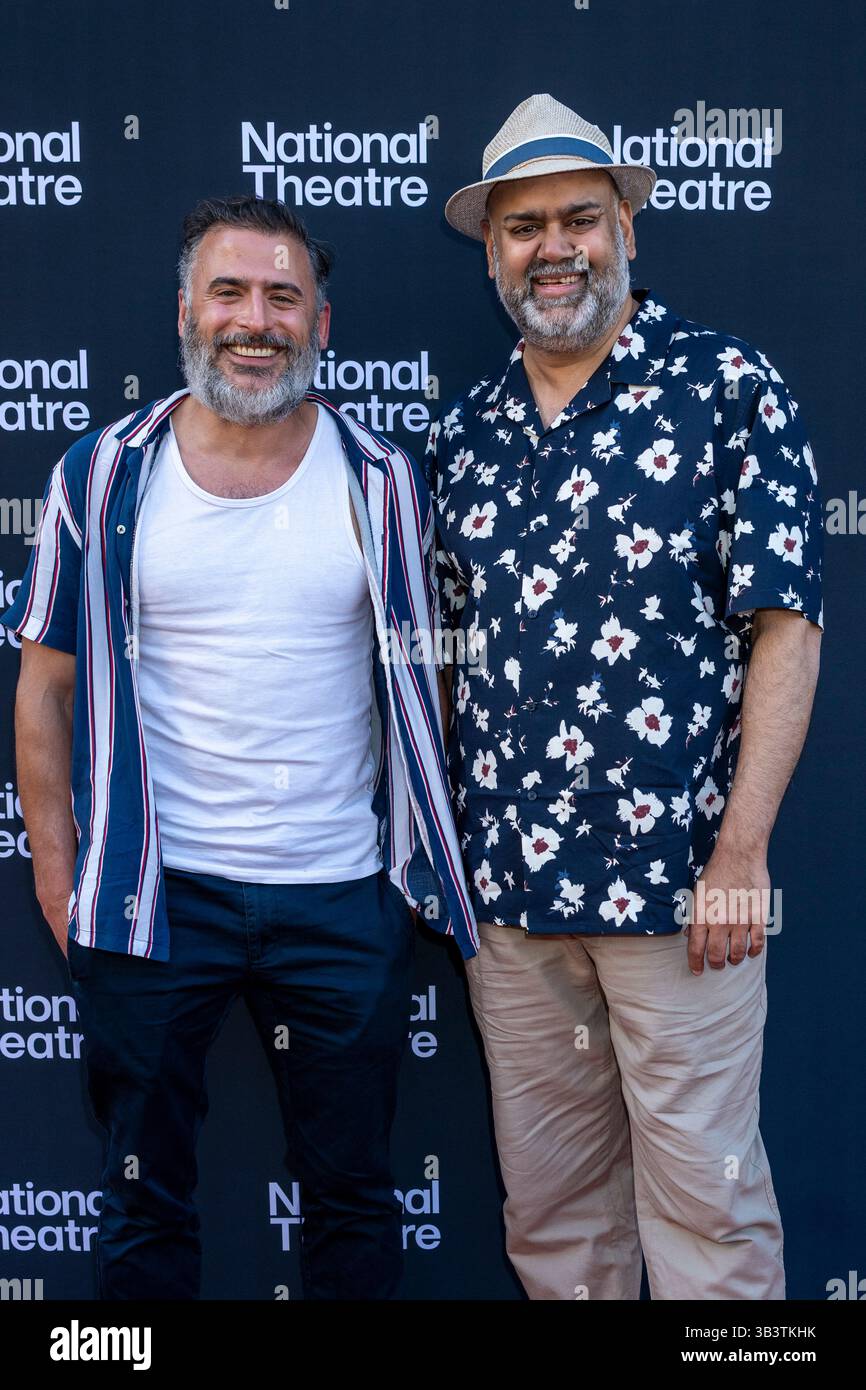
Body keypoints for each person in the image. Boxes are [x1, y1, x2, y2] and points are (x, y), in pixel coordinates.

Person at [1, 194, 477, 1301]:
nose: (252, 319)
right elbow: (45, 687)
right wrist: (65, 879)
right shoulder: (102, 474)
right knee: (142, 1200)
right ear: (185, 313)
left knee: (354, 1196)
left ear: (320, 324)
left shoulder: (381, 482)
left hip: (339, 894)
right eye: (228, 292)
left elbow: (423, 684)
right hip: (155, 898)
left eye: (280, 296)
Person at [427, 94, 823, 1300]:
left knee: (708, 1217)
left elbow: (786, 627)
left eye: (579, 220)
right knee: (552, 1220)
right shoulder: (465, 435)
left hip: (680, 895)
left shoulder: (726, 390)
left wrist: (741, 848)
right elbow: (439, 656)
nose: (554, 247)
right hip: (510, 907)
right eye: (523, 226)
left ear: (626, 233)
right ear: (490, 249)